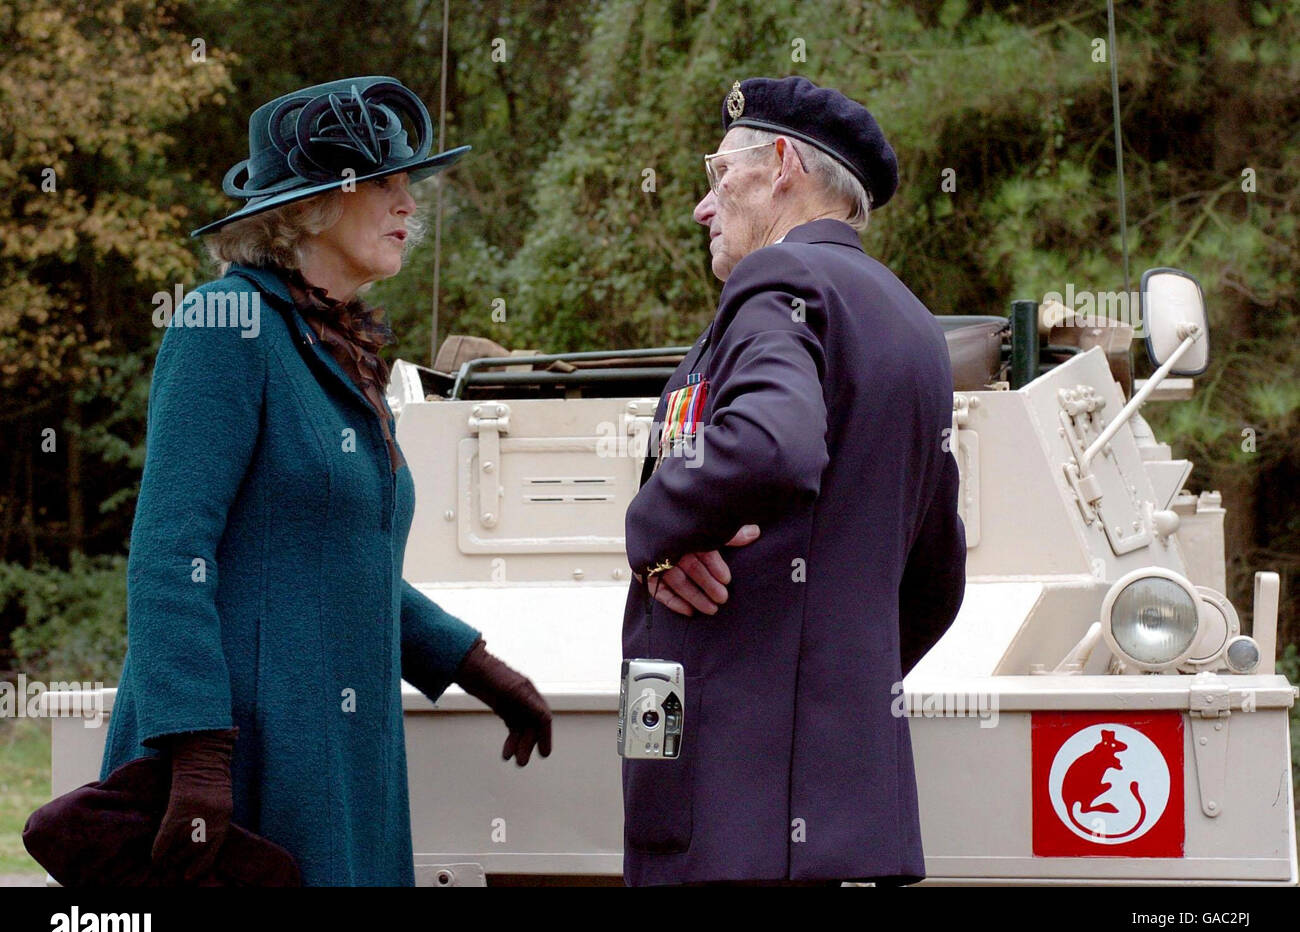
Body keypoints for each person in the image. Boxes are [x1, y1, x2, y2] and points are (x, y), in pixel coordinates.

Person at [98, 76, 551, 887]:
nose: (410, 201)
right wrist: (198, 750)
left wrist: (477, 667)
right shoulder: (223, 324)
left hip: (344, 753)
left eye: (410, 181)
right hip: (249, 755)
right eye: (385, 181)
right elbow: (170, 552)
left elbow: (336, 554)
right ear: (310, 205)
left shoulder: (338, 346)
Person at [621, 76, 966, 886]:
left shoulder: (780, 282)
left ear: (780, 165)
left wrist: (653, 533)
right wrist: (827, 686)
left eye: (718, 175)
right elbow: (937, 577)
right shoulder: (915, 325)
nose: (705, 207)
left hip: (735, 821)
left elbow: (773, 445)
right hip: (849, 823)